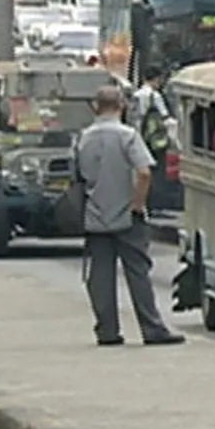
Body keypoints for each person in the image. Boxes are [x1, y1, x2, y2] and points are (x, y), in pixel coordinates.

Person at [76, 85, 183, 347]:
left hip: (96, 215)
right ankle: (152, 329)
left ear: (95, 107)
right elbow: (144, 172)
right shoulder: (128, 136)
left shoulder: (84, 138)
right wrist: (137, 204)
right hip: (127, 216)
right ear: (121, 106)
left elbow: (79, 177)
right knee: (138, 273)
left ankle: (107, 331)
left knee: (100, 276)